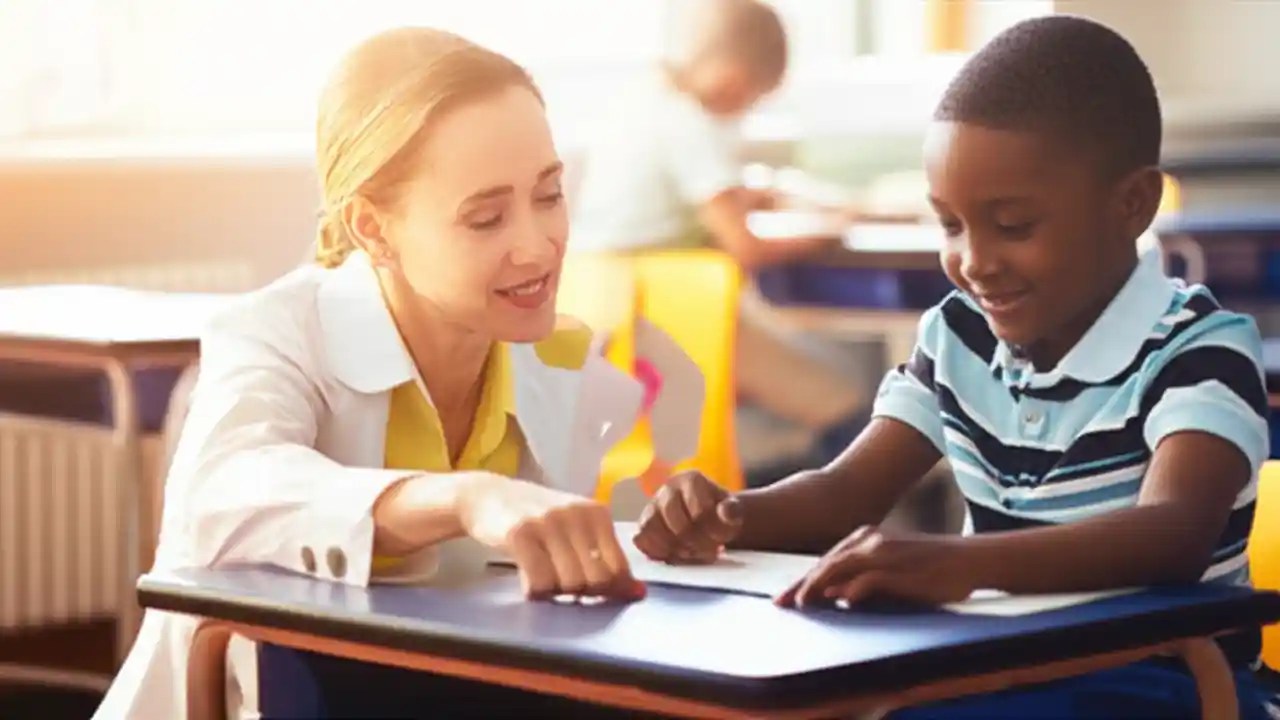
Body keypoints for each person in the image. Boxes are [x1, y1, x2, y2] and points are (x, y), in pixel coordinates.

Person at [632, 15, 1278, 718]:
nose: (974, 261)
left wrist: (957, 564)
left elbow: (1173, 534)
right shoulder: (958, 337)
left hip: (1174, 680)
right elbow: (844, 494)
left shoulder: (1200, 349)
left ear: (1131, 205)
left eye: (1013, 226)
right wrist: (722, 514)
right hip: (1003, 669)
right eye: (950, 224)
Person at [95, 27, 650, 719]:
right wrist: (462, 499)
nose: (538, 247)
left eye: (549, 195)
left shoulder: (554, 360)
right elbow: (225, 493)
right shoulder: (274, 331)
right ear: (373, 229)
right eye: (485, 218)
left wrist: (662, 533)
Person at [569, 0, 869, 483]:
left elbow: (686, 196)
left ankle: (780, 495)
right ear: (732, 80)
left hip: (615, 318)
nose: (745, 111)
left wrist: (752, 196)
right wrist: (826, 235)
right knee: (851, 400)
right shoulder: (689, 123)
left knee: (804, 379)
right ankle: (822, 510)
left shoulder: (641, 100)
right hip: (671, 316)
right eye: (753, 98)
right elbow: (745, 247)